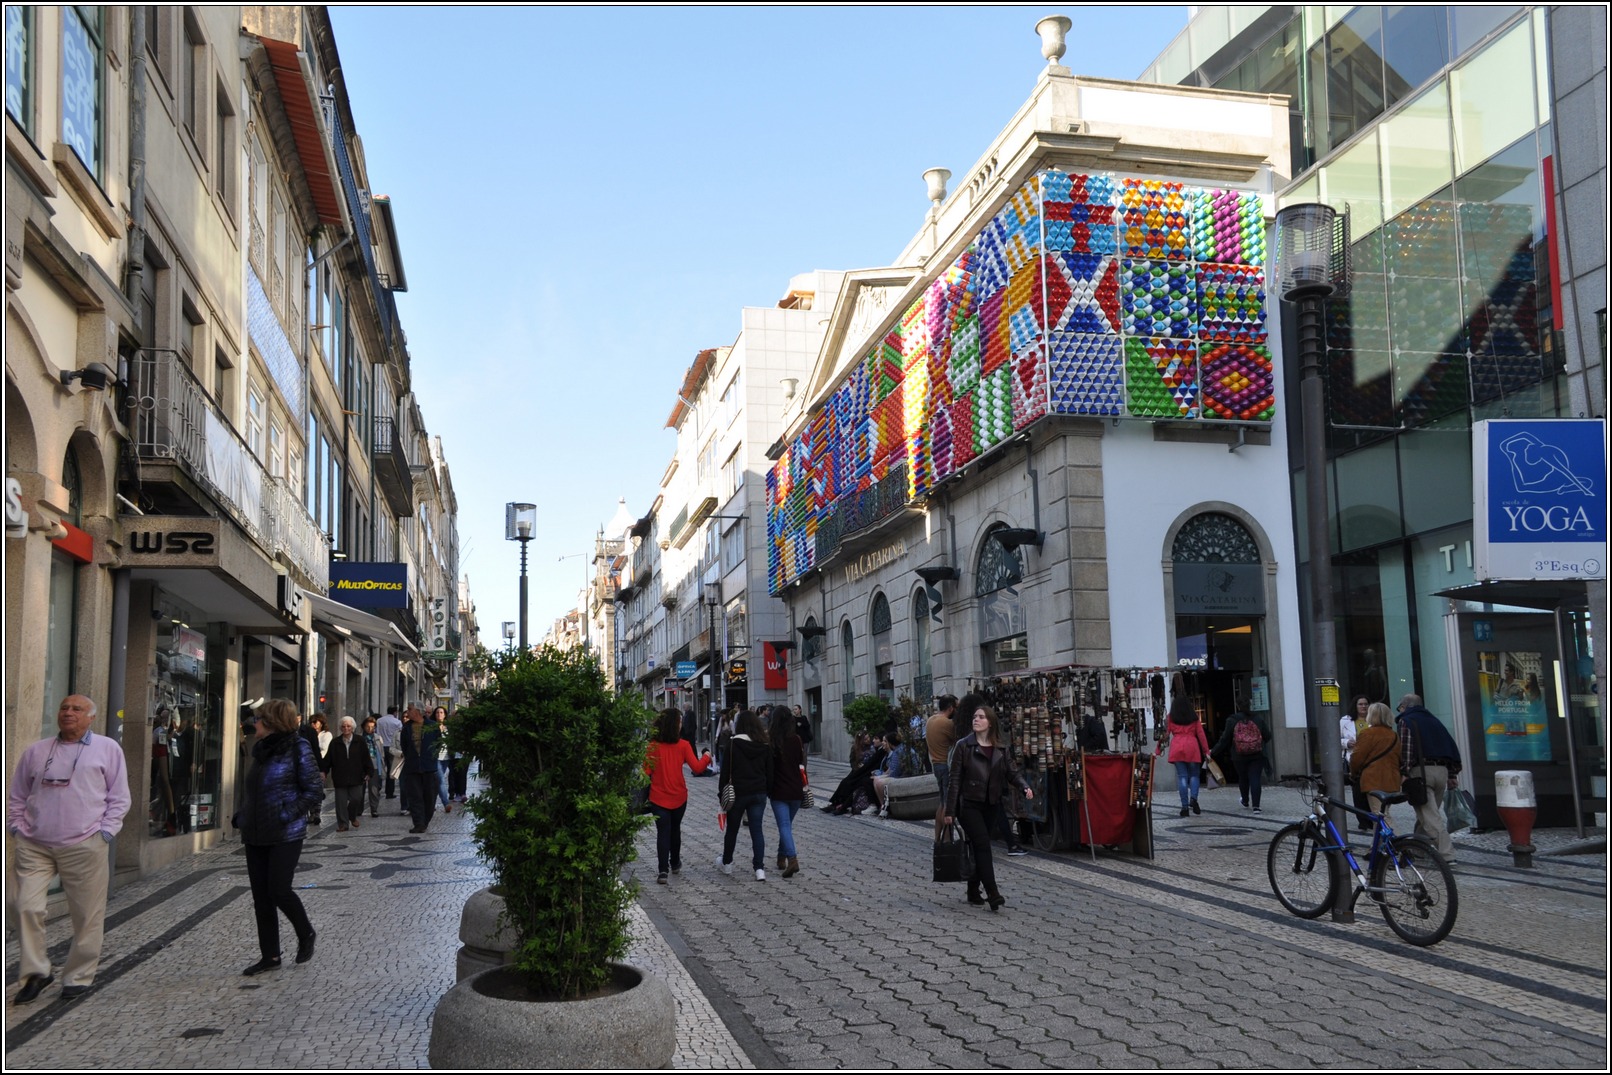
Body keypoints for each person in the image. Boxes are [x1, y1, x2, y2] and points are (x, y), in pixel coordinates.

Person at [7, 695, 130, 1003]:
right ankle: (37, 972)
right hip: (34, 844)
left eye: (77, 709)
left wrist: (105, 833)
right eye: (64, 708)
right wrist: (16, 828)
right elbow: (17, 794)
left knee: (87, 915)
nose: (68, 713)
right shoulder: (36, 750)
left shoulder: (107, 749)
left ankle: (78, 975)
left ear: (90, 718)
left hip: (84, 843)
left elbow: (119, 796)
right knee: (24, 906)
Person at [234, 698, 322, 976]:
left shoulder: (298, 747)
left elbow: (314, 791)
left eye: (259, 719)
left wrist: (287, 814)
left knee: (279, 889)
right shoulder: (261, 750)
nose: (254, 724)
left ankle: (305, 932)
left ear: (271, 722)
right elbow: (254, 789)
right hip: (256, 832)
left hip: (286, 832)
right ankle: (270, 956)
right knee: (262, 897)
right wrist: (243, 814)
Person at [943, 704, 1033, 911]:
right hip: (969, 805)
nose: (976, 719)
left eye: (981, 717)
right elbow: (954, 780)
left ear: (990, 723)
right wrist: (949, 810)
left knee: (977, 847)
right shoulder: (963, 746)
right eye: (974, 716)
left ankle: (973, 890)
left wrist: (1024, 787)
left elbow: (1012, 772)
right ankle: (993, 892)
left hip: (991, 804)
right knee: (983, 844)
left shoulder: (1001, 748)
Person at [643, 708, 712, 884]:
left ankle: (662, 870)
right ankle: (675, 862)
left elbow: (646, 772)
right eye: (679, 722)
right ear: (675, 725)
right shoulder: (683, 745)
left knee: (662, 832)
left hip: (658, 797)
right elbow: (697, 768)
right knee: (675, 830)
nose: (681, 725)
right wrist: (707, 757)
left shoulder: (652, 746)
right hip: (679, 796)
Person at [1396, 693, 1462, 863]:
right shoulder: (1434, 721)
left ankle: (1447, 855)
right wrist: (1452, 774)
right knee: (1426, 814)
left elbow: (1407, 749)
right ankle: (1417, 850)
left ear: (1405, 706)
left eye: (1400, 708)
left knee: (1430, 817)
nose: (1400, 711)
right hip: (1441, 772)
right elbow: (1449, 746)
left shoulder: (1407, 720)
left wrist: (1403, 772)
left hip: (1421, 773)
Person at [717, 709, 771, 880]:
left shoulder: (733, 744)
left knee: (732, 829)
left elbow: (725, 772)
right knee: (757, 830)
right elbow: (770, 772)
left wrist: (721, 795)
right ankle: (759, 869)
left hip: (738, 793)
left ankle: (727, 863)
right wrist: (766, 790)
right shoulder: (764, 745)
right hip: (758, 793)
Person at [766, 705, 807, 878]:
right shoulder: (796, 739)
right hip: (796, 790)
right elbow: (801, 763)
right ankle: (781, 856)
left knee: (784, 826)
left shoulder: (771, 741)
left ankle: (792, 859)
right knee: (787, 825)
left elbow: (768, 767)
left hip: (779, 790)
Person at [1350, 702, 1402, 822]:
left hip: (1373, 780)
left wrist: (1353, 774)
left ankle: (1397, 841)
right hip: (1391, 780)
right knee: (1380, 817)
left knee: (1381, 816)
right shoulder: (1393, 735)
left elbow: (1357, 758)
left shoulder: (1368, 733)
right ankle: (1379, 841)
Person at [322, 716, 375, 833]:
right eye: (343, 726)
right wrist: (324, 771)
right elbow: (328, 760)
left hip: (356, 776)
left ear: (353, 728)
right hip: (340, 777)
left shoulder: (359, 741)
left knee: (357, 798)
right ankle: (343, 824)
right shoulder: (335, 742)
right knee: (340, 803)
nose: (346, 728)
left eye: (348, 726)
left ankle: (352, 816)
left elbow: (366, 758)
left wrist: (369, 772)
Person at [1163, 688, 1210, 817]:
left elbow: (1166, 735)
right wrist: (1206, 751)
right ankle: (1193, 798)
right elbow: (1201, 735)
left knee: (1182, 777)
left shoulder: (1171, 717)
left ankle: (1184, 807)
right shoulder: (1194, 717)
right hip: (1192, 746)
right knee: (1194, 775)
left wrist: (1158, 750)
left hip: (1177, 746)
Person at [1215, 710, 1271, 813]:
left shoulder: (1232, 720)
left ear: (1238, 706)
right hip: (1257, 754)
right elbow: (1267, 736)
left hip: (1239, 755)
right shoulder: (1258, 718)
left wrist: (1213, 751)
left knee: (1243, 777)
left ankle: (1245, 800)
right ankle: (1256, 806)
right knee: (1255, 778)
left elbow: (1225, 739)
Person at [399, 704, 442, 834]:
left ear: (417, 711)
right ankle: (418, 823)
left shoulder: (432, 725)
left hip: (428, 767)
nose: (407, 711)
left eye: (410, 709)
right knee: (414, 796)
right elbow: (404, 745)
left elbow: (438, 743)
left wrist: (430, 757)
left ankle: (425, 821)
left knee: (429, 797)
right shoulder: (406, 727)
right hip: (412, 767)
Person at [872, 732, 920, 817]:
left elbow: (895, 772)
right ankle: (883, 806)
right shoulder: (901, 749)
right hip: (906, 775)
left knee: (879, 782)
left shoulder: (898, 752)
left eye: (885, 741)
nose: (883, 743)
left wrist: (882, 776)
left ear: (890, 743)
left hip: (905, 776)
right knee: (877, 780)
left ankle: (885, 807)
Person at [926, 695, 961, 812]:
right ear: (951, 708)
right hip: (945, 765)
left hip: (936, 764)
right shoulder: (947, 723)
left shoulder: (930, 720)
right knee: (948, 804)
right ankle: (947, 829)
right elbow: (957, 740)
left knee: (943, 801)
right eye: (957, 707)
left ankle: (941, 829)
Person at [300, 714, 331, 826]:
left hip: (318, 763)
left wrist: (322, 769)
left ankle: (316, 813)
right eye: (312, 722)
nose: (314, 725)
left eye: (316, 722)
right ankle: (310, 813)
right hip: (307, 765)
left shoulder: (325, 735)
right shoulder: (307, 732)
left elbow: (319, 751)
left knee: (317, 790)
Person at [360, 716, 386, 819]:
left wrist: (382, 766)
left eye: (372, 727)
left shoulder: (378, 738)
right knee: (360, 789)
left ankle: (374, 809)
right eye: (368, 727)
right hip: (362, 766)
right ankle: (359, 809)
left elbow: (381, 752)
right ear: (363, 727)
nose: (370, 729)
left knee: (374, 789)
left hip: (375, 765)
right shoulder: (359, 738)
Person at [431, 706, 455, 813]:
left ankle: (431, 803)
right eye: (437, 712)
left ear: (445, 715)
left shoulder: (449, 727)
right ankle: (446, 804)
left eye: (441, 712)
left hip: (446, 757)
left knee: (437, 782)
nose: (439, 714)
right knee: (441, 780)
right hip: (436, 757)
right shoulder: (431, 727)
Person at [376, 705, 403, 801]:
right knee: (391, 770)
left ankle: (378, 789)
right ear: (395, 712)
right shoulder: (397, 722)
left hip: (381, 746)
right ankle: (389, 792)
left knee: (381, 769)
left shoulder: (379, 721)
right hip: (392, 748)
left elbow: (377, 733)